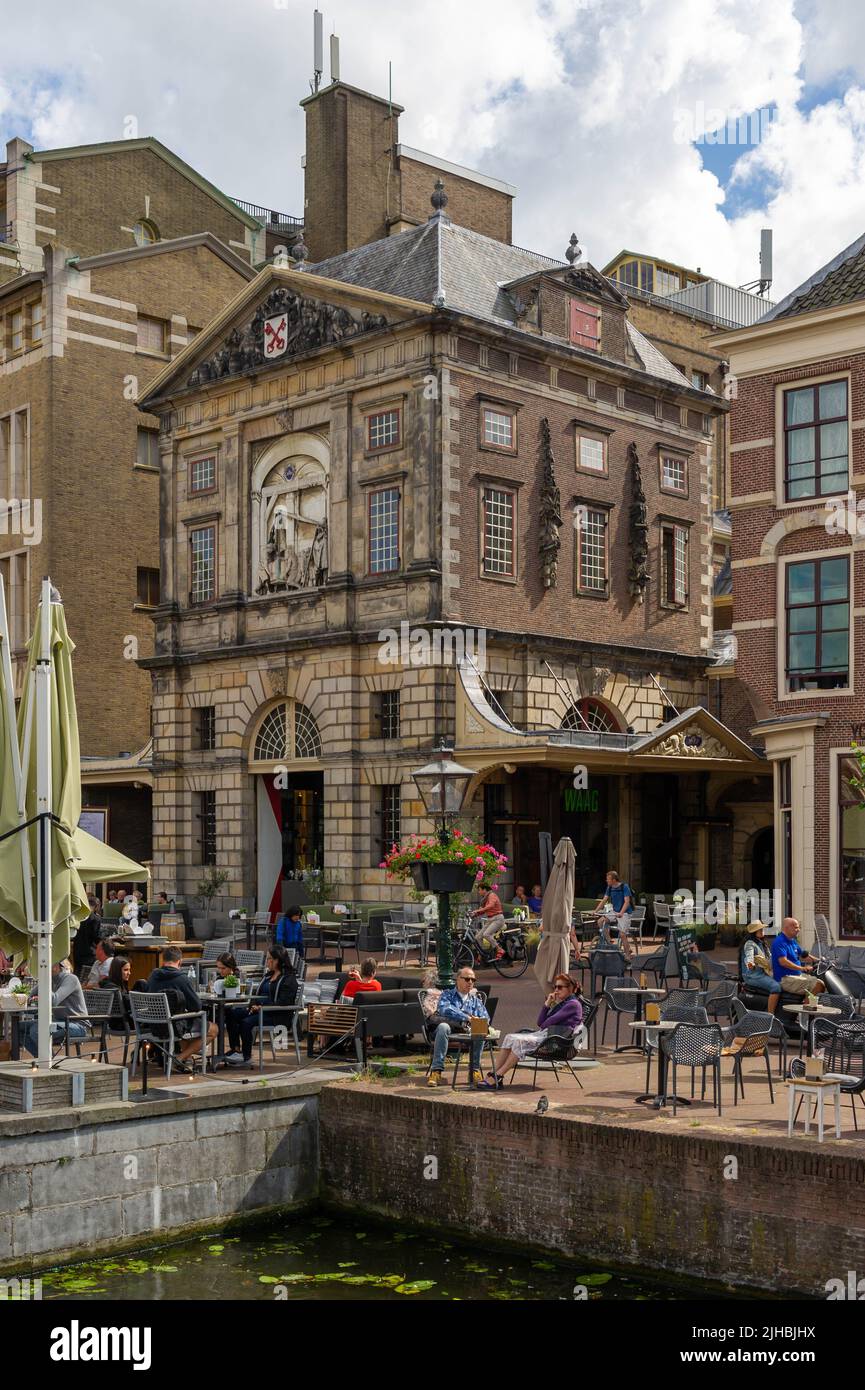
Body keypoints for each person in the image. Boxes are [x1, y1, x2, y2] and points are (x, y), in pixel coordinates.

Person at [479, 974, 584, 1089]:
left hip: (556, 1043)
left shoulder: (573, 1004)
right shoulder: (563, 1004)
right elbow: (540, 1023)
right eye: (555, 987)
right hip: (548, 1036)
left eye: (560, 987)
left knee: (520, 1042)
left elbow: (544, 1024)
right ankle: (492, 1073)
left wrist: (548, 1015)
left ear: (570, 989)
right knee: (509, 1037)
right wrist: (547, 1004)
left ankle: (498, 1076)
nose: (556, 990)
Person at [225, 945, 298, 1066]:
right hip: (260, 1010)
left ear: (277, 960)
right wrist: (253, 1006)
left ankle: (246, 1057)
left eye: (269, 958)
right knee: (232, 1013)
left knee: (246, 1022)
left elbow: (284, 1002)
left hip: (276, 1014)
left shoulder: (288, 979)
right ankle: (236, 1049)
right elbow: (257, 994)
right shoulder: (268, 975)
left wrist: (261, 1007)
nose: (267, 961)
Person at [146, 944, 218, 1065]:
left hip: (154, 1024)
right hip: (174, 1026)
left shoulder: (153, 976)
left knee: (184, 1020)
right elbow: (196, 1006)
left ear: (163, 960)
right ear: (180, 962)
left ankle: (186, 1060)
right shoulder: (181, 979)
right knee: (213, 1029)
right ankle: (180, 1058)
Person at [426, 966, 489, 1087]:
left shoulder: (475, 1000)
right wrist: (467, 1017)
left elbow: (485, 1017)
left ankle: (474, 1071)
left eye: (473, 980)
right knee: (443, 1027)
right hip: (448, 1030)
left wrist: (479, 1021)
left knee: (480, 1028)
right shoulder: (447, 994)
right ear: (458, 979)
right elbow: (445, 1009)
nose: (470, 982)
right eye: (467, 979)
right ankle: (436, 1071)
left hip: (467, 1032)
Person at [22, 959, 88, 1058]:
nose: (40, 968)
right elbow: (28, 997)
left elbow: (54, 1000)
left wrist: (45, 981)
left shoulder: (71, 979)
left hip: (77, 1024)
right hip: (57, 1021)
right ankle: (44, 1059)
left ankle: (49, 1062)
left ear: (56, 966)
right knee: (19, 1028)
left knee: (37, 1030)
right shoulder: (49, 980)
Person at [770, 918, 826, 998]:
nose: (798, 930)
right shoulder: (780, 942)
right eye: (796, 927)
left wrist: (820, 960)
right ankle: (806, 1009)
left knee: (820, 982)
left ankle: (807, 1005)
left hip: (796, 975)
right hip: (785, 978)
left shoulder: (792, 941)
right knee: (818, 985)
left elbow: (804, 955)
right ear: (786, 928)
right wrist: (802, 968)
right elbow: (783, 962)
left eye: (798, 927)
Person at [740, 921, 782, 1013]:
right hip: (753, 976)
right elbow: (749, 956)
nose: (762, 930)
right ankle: (771, 1016)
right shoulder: (750, 944)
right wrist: (750, 964)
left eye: (762, 928)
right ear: (754, 932)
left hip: (764, 973)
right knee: (776, 987)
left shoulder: (762, 943)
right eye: (759, 929)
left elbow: (771, 958)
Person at [71, 894, 103, 979]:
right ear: (96, 906)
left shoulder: (78, 917)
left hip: (77, 951)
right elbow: (96, 937)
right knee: (88, 977)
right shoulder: (96, 919)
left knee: (77, 974)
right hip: (90, 952)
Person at [470, 885, 506, 956]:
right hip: (490, 919)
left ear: (485, 890)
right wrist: (474, 914)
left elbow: (490, 905)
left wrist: (477, 911)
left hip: (497, 918)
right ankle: (483, 954)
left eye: (479, 890)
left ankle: (499, 949)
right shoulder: (485, 899)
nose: (479, 892)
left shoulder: (492, 895)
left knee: (486, 934)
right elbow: (483, 910)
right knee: (478, 937)